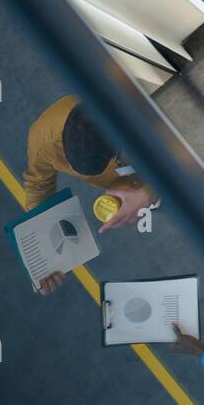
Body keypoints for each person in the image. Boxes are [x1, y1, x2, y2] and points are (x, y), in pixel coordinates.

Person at [23, 96, 159, 293]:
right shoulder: (42, 138)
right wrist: (46, 256)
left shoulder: (148, 109)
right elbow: (38, 186)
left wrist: (147, 193)